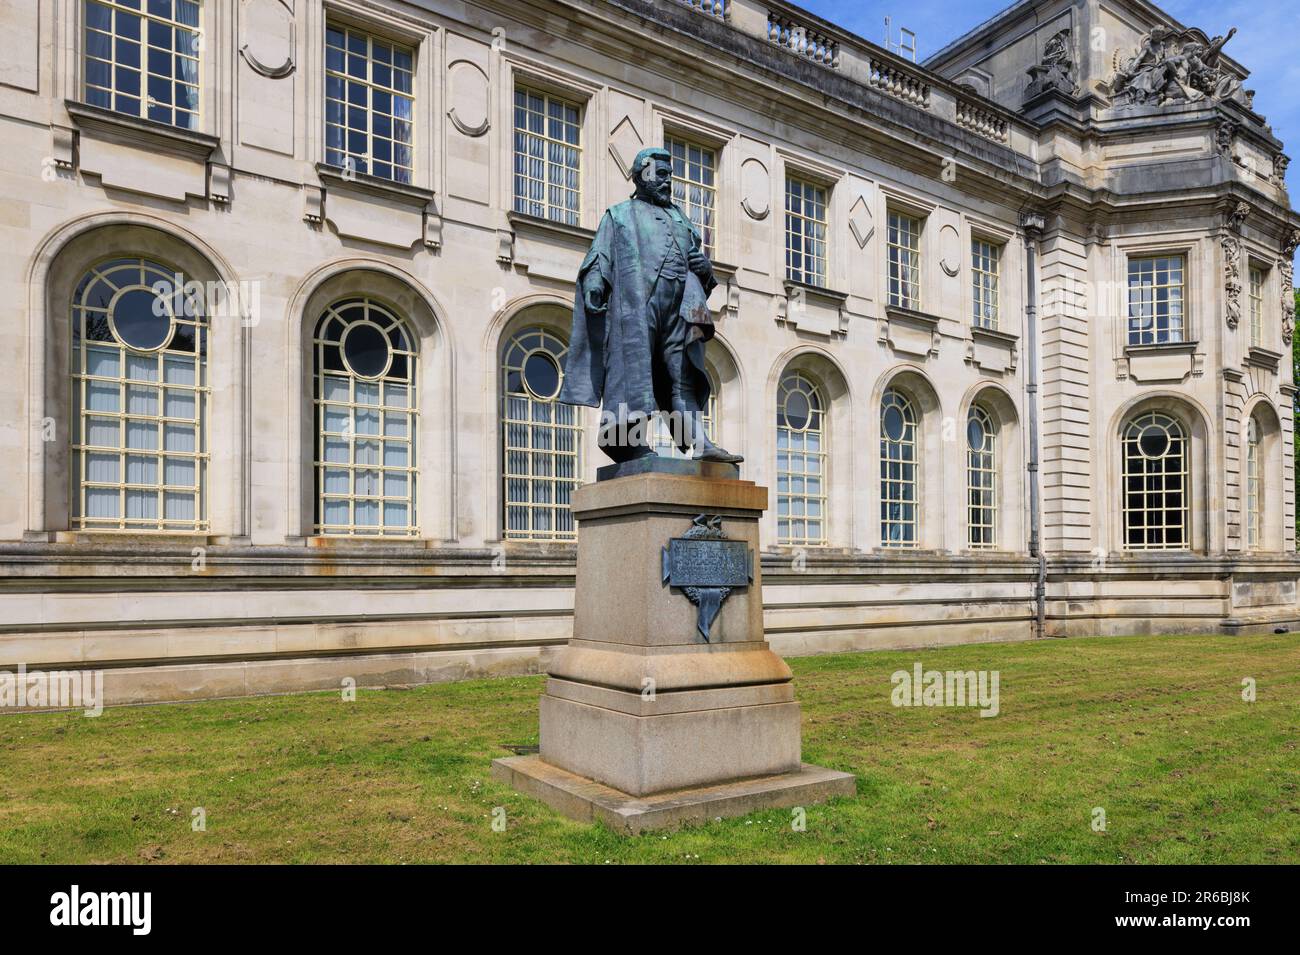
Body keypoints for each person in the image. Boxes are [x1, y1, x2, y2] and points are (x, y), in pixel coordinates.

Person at [558, 146, 743, 465]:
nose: (667, 181)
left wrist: (705, 270)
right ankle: (626, 445)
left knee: (681, 374)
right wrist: (594, 285)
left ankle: (698, 443)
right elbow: (598, 258)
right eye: (661, 174)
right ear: (641, 174)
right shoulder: (619, 215)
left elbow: (701, 267)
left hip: (682, 307)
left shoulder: (681, 218)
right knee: (633, 374)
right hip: (638, 306)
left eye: (670, 175)